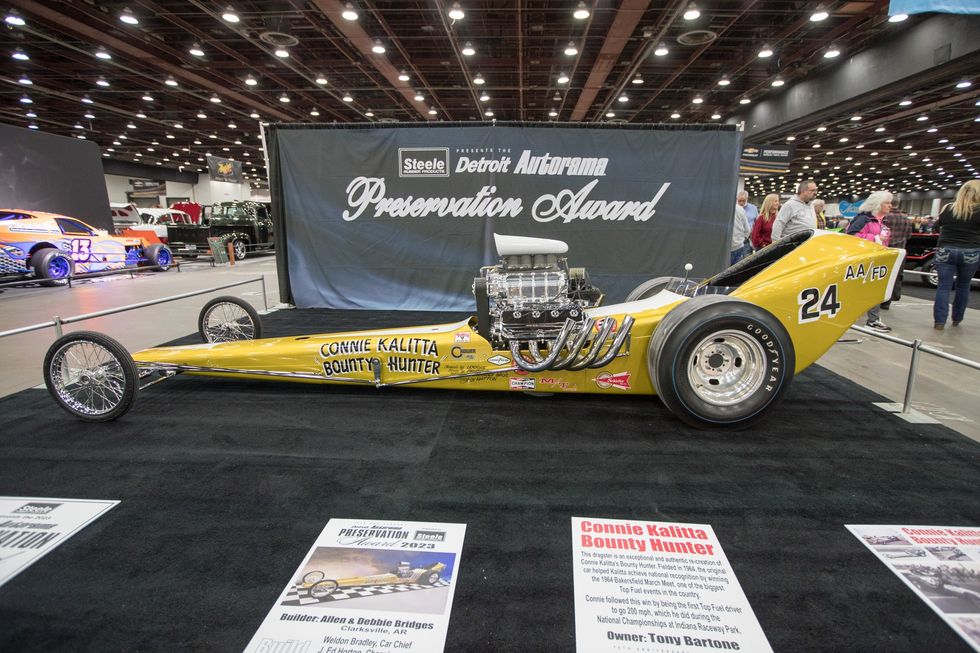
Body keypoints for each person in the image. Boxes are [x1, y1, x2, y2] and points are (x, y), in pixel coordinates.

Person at [932, 180, 980, 329]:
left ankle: (939, 322)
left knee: (943, 286)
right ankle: (957, 319)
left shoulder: (947, 208)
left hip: (945, 249)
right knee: (964, 286)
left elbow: (935, 228)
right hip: (971, 251)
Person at [846, 190, 894, 332]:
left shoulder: (879, 220)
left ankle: (873, 320)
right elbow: (851, 235)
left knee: (874, 289)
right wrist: (874, 238)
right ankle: (871, 320)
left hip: (876, 259)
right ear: (878, 204)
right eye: (887, 202)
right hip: (863, 259)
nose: (890, 205)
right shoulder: (864, 218)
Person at [881, 210, 912, 310]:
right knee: (896, 276)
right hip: (900, 251)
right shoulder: (906, 219)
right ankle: (888, 301)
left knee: (883, 276)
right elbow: (909, 235)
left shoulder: (885, 217)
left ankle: (881, 299)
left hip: (886, 250)